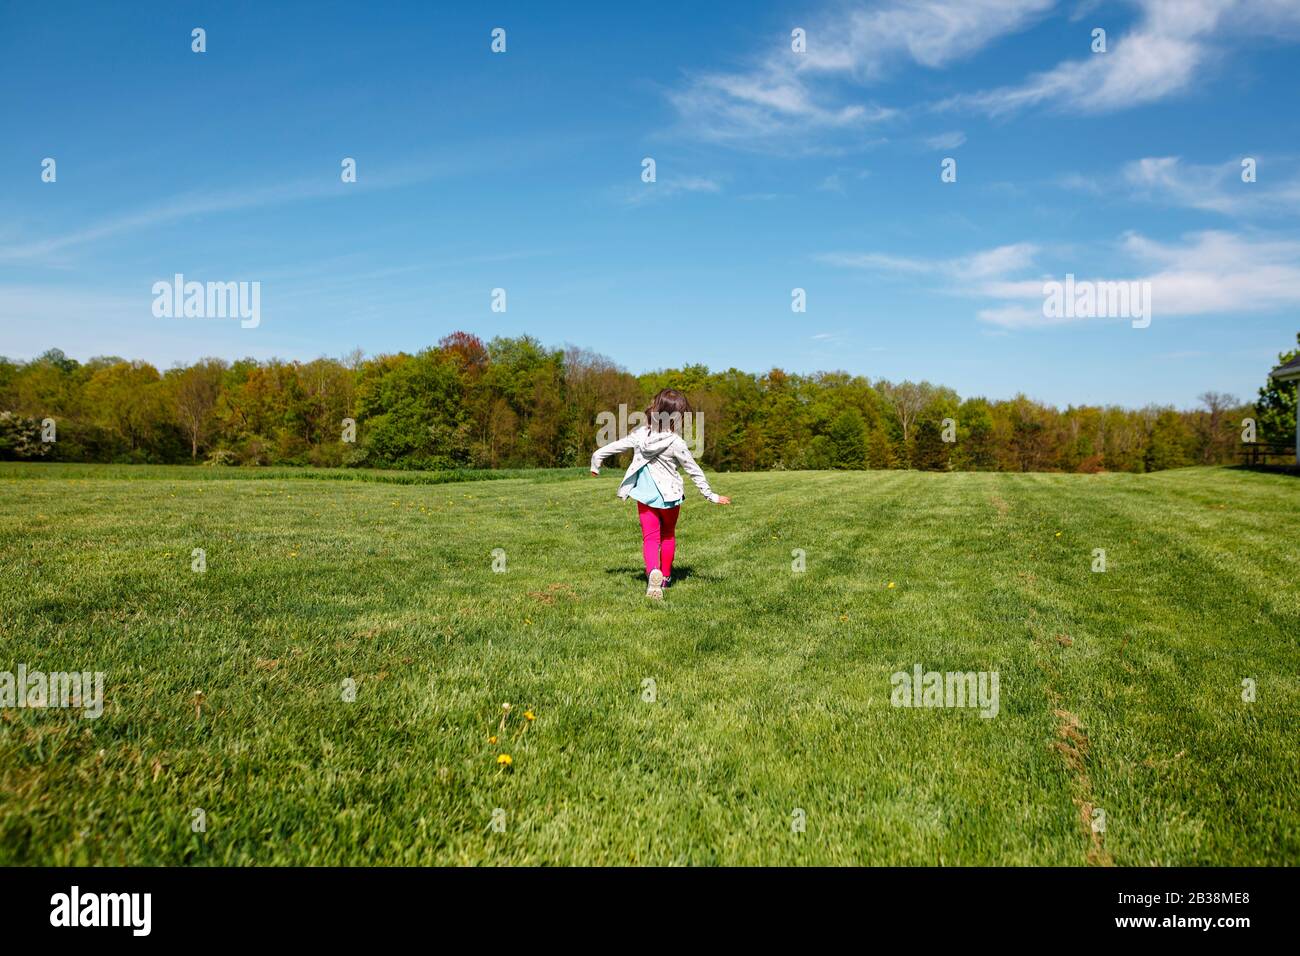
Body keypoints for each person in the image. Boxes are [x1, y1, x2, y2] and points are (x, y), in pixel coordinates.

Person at [590, 388, 731, 598]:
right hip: (671, 497)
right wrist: (710, 495)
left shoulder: (640, 436)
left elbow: (614, 446)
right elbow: (694, 470)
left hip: (645, 496)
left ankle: (652, 573)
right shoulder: (677, 443)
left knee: (650, 538)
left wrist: (596, 460)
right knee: (668, 535)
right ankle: (664, 578)